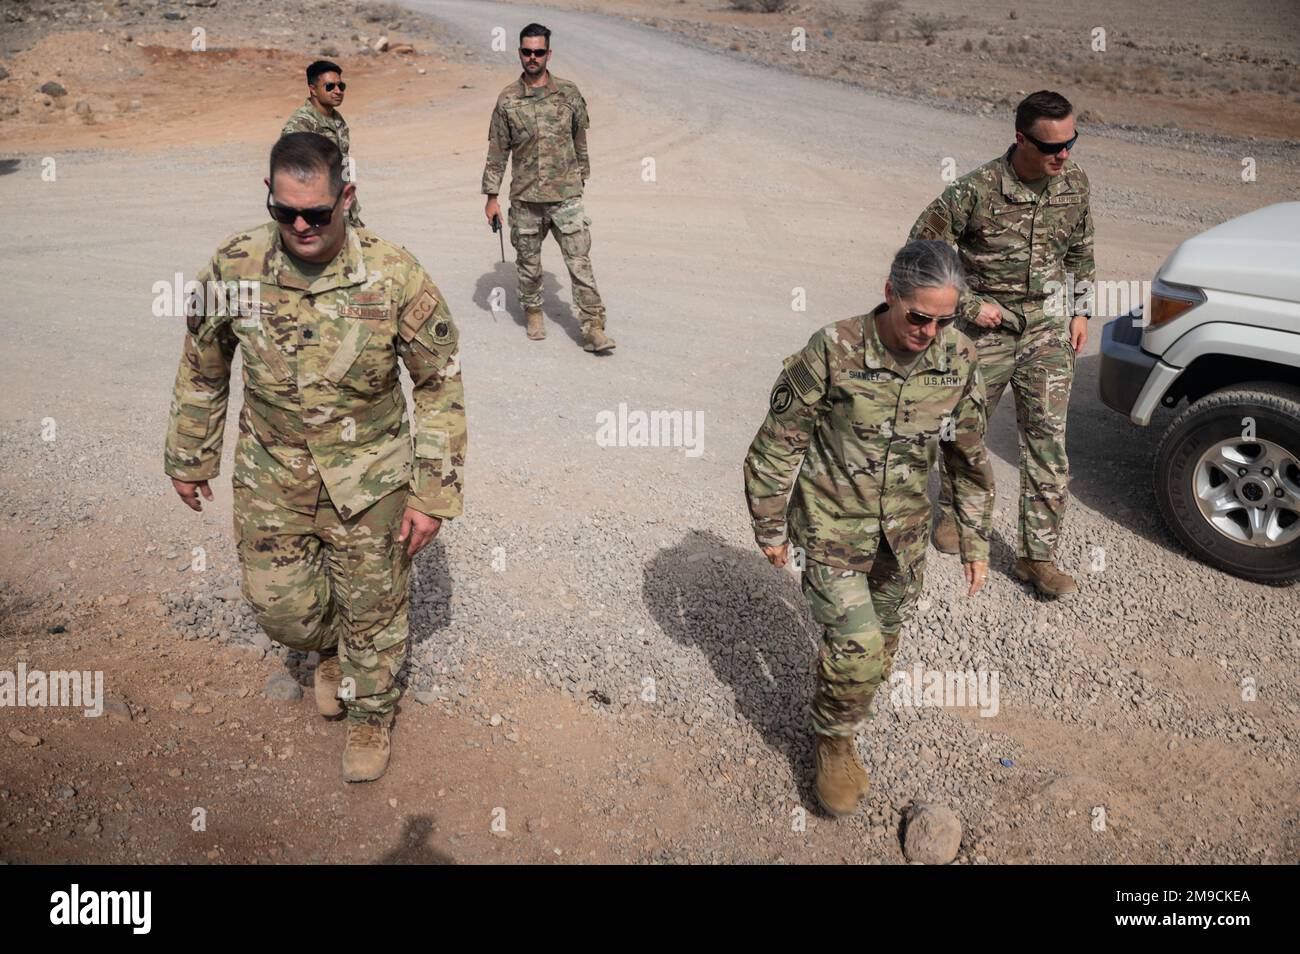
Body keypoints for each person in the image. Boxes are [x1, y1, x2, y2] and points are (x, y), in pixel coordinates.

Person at [164, 132, 466, 782]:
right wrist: (191, 455)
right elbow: (203, 367)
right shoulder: (234, 266)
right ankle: (323, 648)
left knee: (374, 610)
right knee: (284, 611)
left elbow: (439, 380)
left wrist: (433, 493)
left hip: (371, 482)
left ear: (346, 199)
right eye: (286, 211)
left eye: (317, 213)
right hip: (271, 477)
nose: (301, 225)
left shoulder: (393, 274)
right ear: (269, 198)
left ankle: (369, 716)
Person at [743, 240, 993, 817]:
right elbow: (778, 445)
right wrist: (770, 526)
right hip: (832, 528)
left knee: (882, 645)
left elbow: (969, 457)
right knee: (859, 648)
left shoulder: (959, 358)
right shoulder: (834, 348)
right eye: (919, 317)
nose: (929, 332)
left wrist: (974, 542)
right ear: (890, 294)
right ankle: (833, 740)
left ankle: (843, 692)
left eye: (944, 319)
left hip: (903, 536)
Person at [910, 90, 1094, 597]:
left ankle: (1037, 559)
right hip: (983, 333)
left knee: (1047, 443)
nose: (1064, 155)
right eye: (1051, 146)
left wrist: (1079, 309)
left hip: (1047, 331)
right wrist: (968, 308)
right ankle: (952, 513)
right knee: (964, 431)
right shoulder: (974, 191)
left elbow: (1081, 249)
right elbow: (921, 253)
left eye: (1071, 142)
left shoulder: (1073, 182)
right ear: (1020, 138)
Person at [481, 22, 614, 353]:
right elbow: (498, 151)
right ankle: (534, 312)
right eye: (527, 51)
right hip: (525, 198)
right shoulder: (508, 100)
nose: (532, 57)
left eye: (539, 52)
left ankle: (593, 327)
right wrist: (491, 197)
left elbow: (579, 138)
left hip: (565, 197)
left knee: (580, 263)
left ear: (548, 54)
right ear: (520, 53)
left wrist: (580, 177)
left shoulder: (568, 93)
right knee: (528, 264)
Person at [283, 60, 363, 227]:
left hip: (343, 211)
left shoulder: (336, 119)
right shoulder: (300, 125)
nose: (337, 91)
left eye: (341, 86)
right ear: (313, 89)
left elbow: (343, 165)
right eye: (330, 86)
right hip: (318, 218)